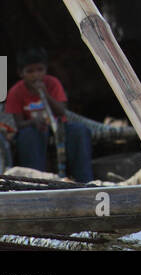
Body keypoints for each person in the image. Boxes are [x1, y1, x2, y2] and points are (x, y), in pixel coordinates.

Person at [5, 48, 93, 181]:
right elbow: (19, 123)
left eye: (40, 70)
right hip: (34, 129)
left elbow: (61, 112)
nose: (36, 75)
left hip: (58, 127)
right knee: (28, 136)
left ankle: (84, 180)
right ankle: (35, 181)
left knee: (80, 131)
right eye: (30, 71)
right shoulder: (16, 92)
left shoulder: (53, 83)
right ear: (21, 73)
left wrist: (45, 94)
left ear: (46, 70)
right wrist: (33, 122)